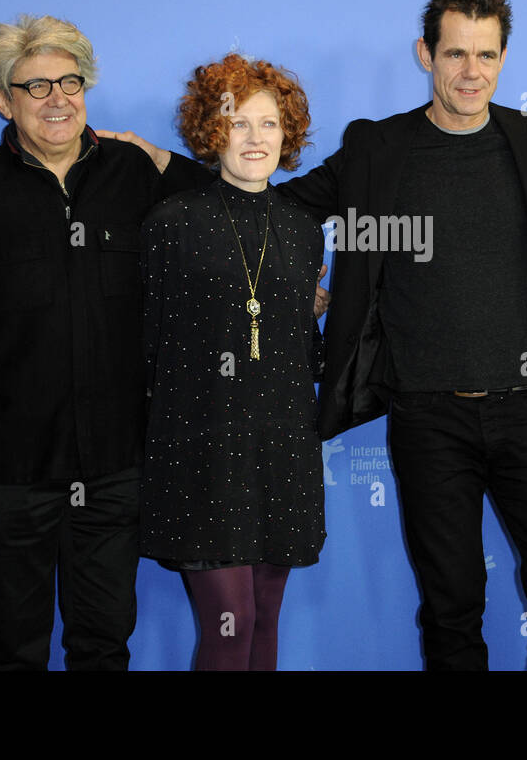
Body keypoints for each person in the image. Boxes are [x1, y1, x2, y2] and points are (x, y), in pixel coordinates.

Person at [102, 0, 527, 670]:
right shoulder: (377, 149)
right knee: (452, 609)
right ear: (426, 54)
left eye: (486, 54)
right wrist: (162, 165)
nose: (471, 71)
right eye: (455, 53)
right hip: (429, 419)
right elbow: (265, 200)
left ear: (504, 59)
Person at [0, 15, 206, 670]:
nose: (59, 99)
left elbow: (235, 210)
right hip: (10, 475)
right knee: (11, 649)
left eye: (70, 81)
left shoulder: (136, 175)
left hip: (116, 467)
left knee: (104, 645)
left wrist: (163, 157)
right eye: (36, 87)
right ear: (2, 99)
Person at [139, 54, 325, 670]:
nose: (254, 138)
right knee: (230, 626)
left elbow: (301, 344)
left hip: (283, 450)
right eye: (238, 123)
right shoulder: (173, 222)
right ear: (212, 132)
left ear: (287, 133)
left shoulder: (303, 230)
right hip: (204, 453)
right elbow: (151, 345)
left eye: (268, 124)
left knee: (266, 621)